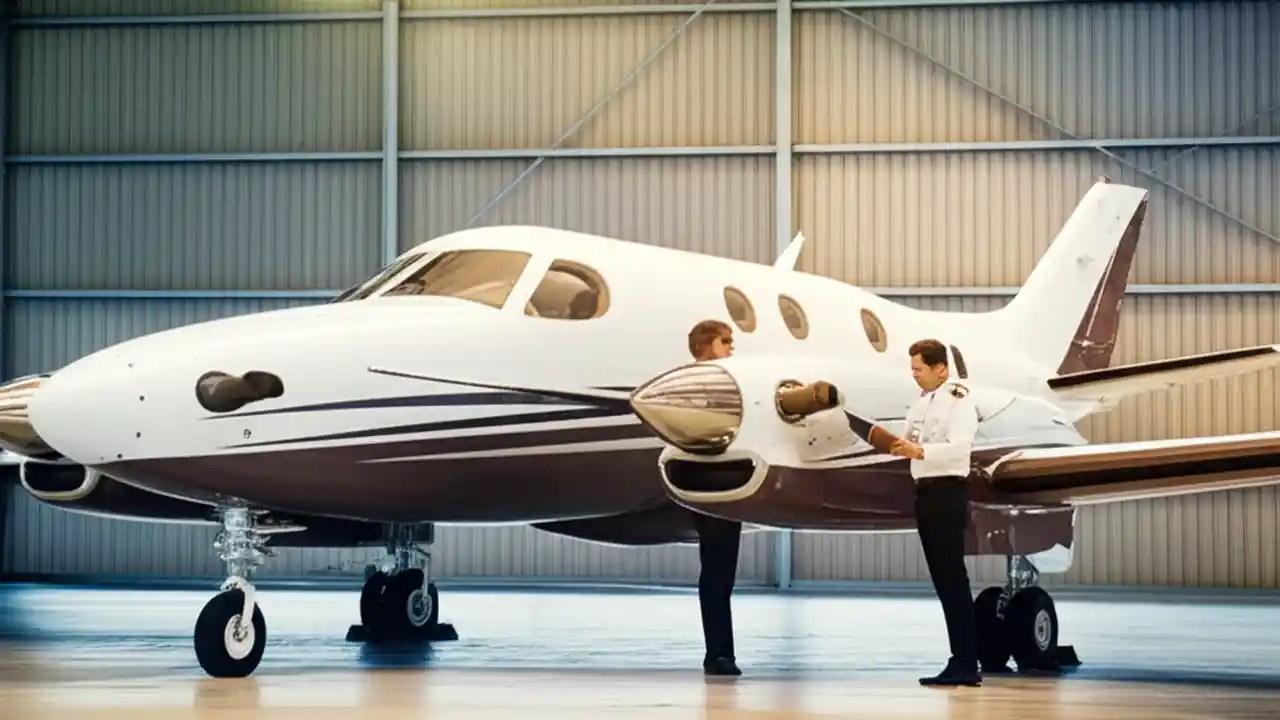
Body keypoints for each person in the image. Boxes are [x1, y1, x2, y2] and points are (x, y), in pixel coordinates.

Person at [889, 338, 982, 687]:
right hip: (926, 492)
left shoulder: (959, 399)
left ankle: (966, 662)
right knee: (943, 580)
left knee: (952, 579)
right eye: (912, 370)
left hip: (947, 491)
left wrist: (919, 450)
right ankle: (961, 659)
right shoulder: (922, 403)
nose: (914, 376)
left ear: (940, 368)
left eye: (919, 369)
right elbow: (908, 439)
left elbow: (960, 447)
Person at [685, 319, 742, 677]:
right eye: (725, 341)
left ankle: (721, 654)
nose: (731, 348)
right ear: (705, 345)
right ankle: (719, 654)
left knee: (721, 575)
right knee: (717, 575)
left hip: (727, 486)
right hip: (708, 484)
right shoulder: (692, 385)